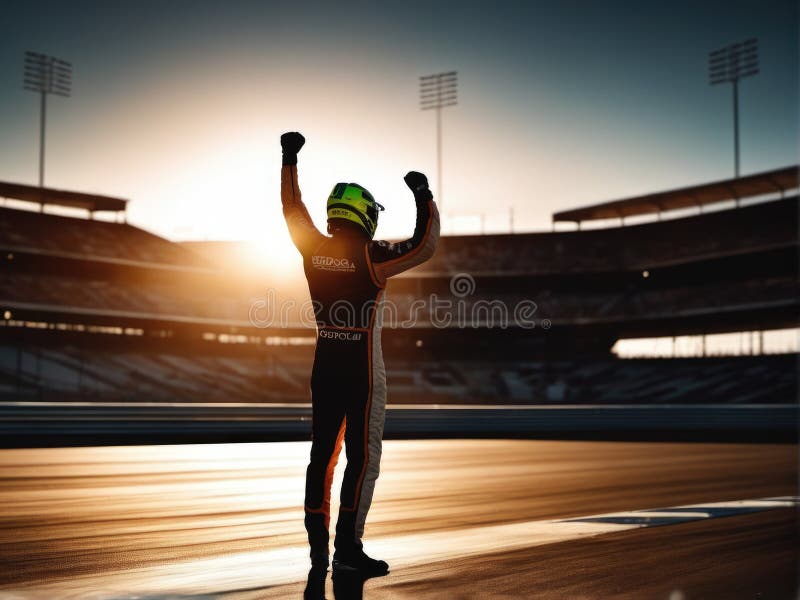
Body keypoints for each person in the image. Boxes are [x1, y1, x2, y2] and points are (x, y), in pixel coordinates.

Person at [279, 131, 440, 594]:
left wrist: (289, 158)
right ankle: (348, 552)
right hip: (364, 376)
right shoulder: (371, 256)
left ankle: (317, 553)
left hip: (323, 368)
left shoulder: (311, 248)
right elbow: (424, 245)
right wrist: (423, 194)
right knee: (362, 461)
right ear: (365, 215)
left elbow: (292, 210)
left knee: (320, 459)